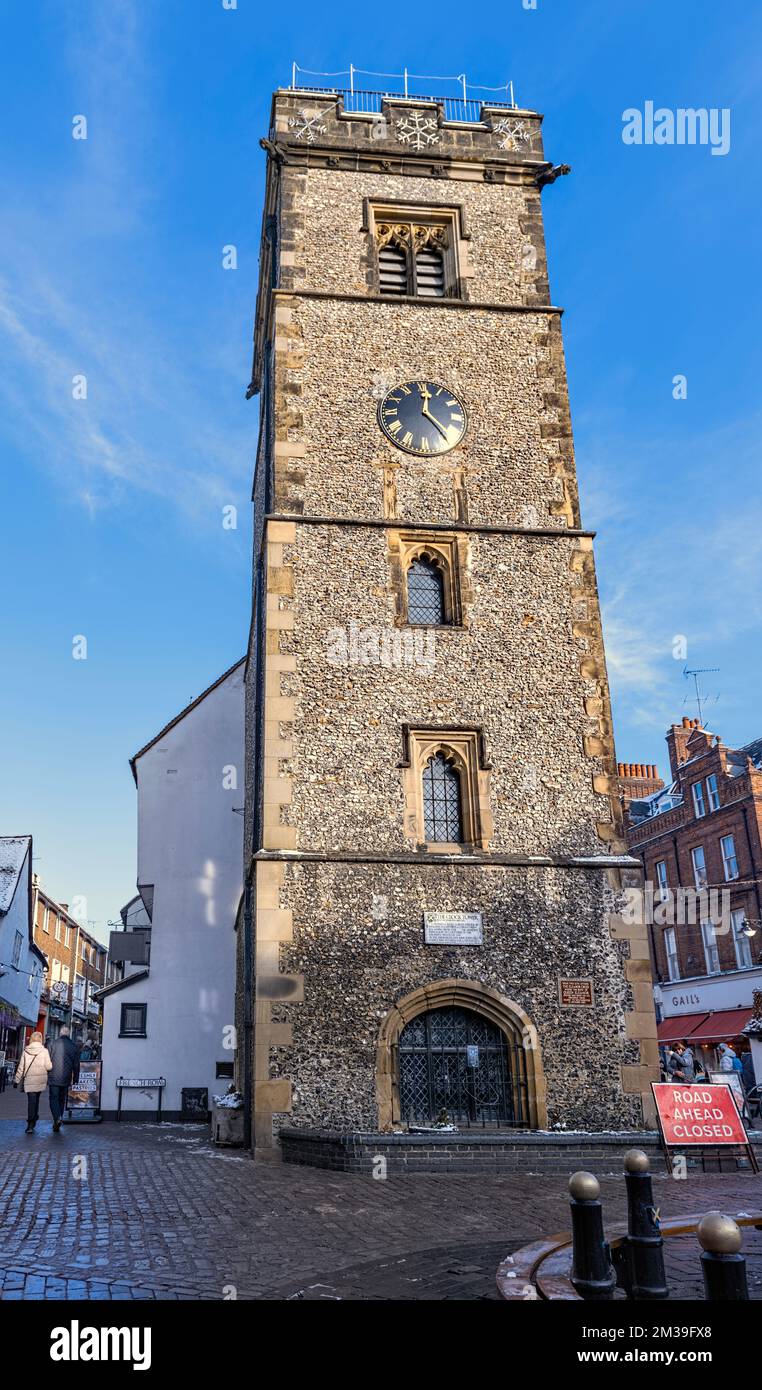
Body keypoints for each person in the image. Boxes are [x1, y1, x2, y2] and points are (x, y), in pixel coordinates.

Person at [14, 1031, 52, 1133]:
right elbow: (49, 1066)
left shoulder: (26, 1051)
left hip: (29, 1080)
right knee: (36, 1100)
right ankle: (34, 1118)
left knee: (31, 1101)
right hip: (40, 1080)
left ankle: (30, 1123)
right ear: (40, 1039)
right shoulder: (44, 1051)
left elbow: (21, 1067)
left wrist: (16, 1080)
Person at [48, 1026, 80, 1133]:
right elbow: (76, 1065)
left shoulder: (52, 1044)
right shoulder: (74, 1046)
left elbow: (48, 1060)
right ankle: (59, 1118)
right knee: (61, 1099)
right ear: (68, 1034)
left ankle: (57, 1118)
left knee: (53, 1098)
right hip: (66, 1076)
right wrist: (76, 1078)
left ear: (60, 1033)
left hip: (53, 1075)